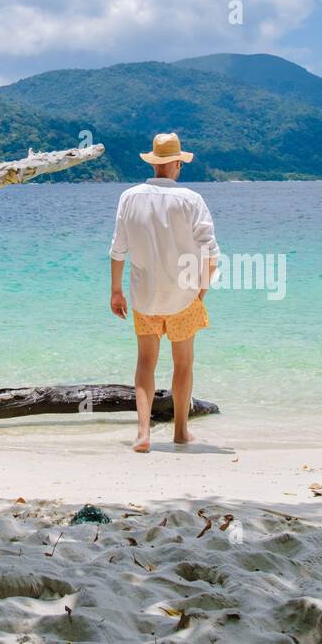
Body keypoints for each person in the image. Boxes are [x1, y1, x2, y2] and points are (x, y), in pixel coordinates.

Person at [109, 133, 219, 453]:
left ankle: (143, 433)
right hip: (183, 297)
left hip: (145, 297)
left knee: (145, 361)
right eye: (180, 164)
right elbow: (211, 254)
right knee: (183, 364)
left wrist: (116, 292)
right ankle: (181, 432)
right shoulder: (191, 200)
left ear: (155, 162)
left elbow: (118, 251)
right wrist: (201, 293)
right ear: (174, 164)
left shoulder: (129, 197)